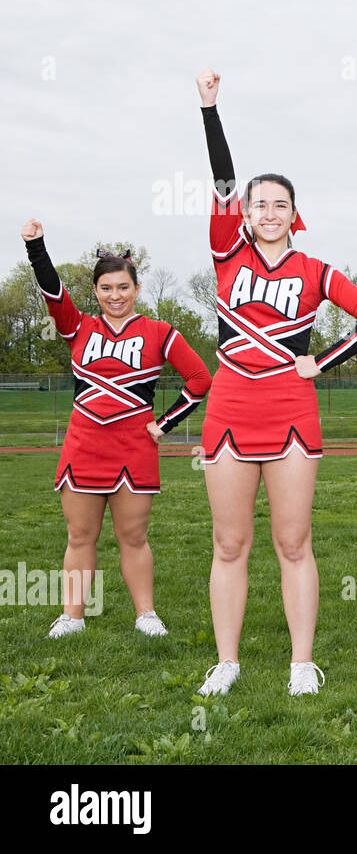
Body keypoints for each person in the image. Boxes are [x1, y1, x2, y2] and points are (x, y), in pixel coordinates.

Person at [193, 68, 357, 697]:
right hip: (229, 402)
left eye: (281, 204)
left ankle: (301, 661)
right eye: (260, 205)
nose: (269, 213)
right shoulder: (229, 254)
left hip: (290, 406)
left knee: (293, 539)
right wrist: (210, 109)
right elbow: (222, 177)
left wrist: (322, 362)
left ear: (294, 214)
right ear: (245, 214)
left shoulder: (316, 268)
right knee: (229, 542)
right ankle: (226, 662)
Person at [22, 221, 210, 639]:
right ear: (96, 292)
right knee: (80, 534)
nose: (115, 296)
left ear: (136, 289)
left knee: (133, 536)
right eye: (106, 288)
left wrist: (164, 424)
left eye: (123, 287)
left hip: (133, 448)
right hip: (84, 444)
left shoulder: (160, 332)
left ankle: (145, 614)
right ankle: (72, 616)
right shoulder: (76, 327)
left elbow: (200, 379)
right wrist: (37, 247)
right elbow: (53, 292)